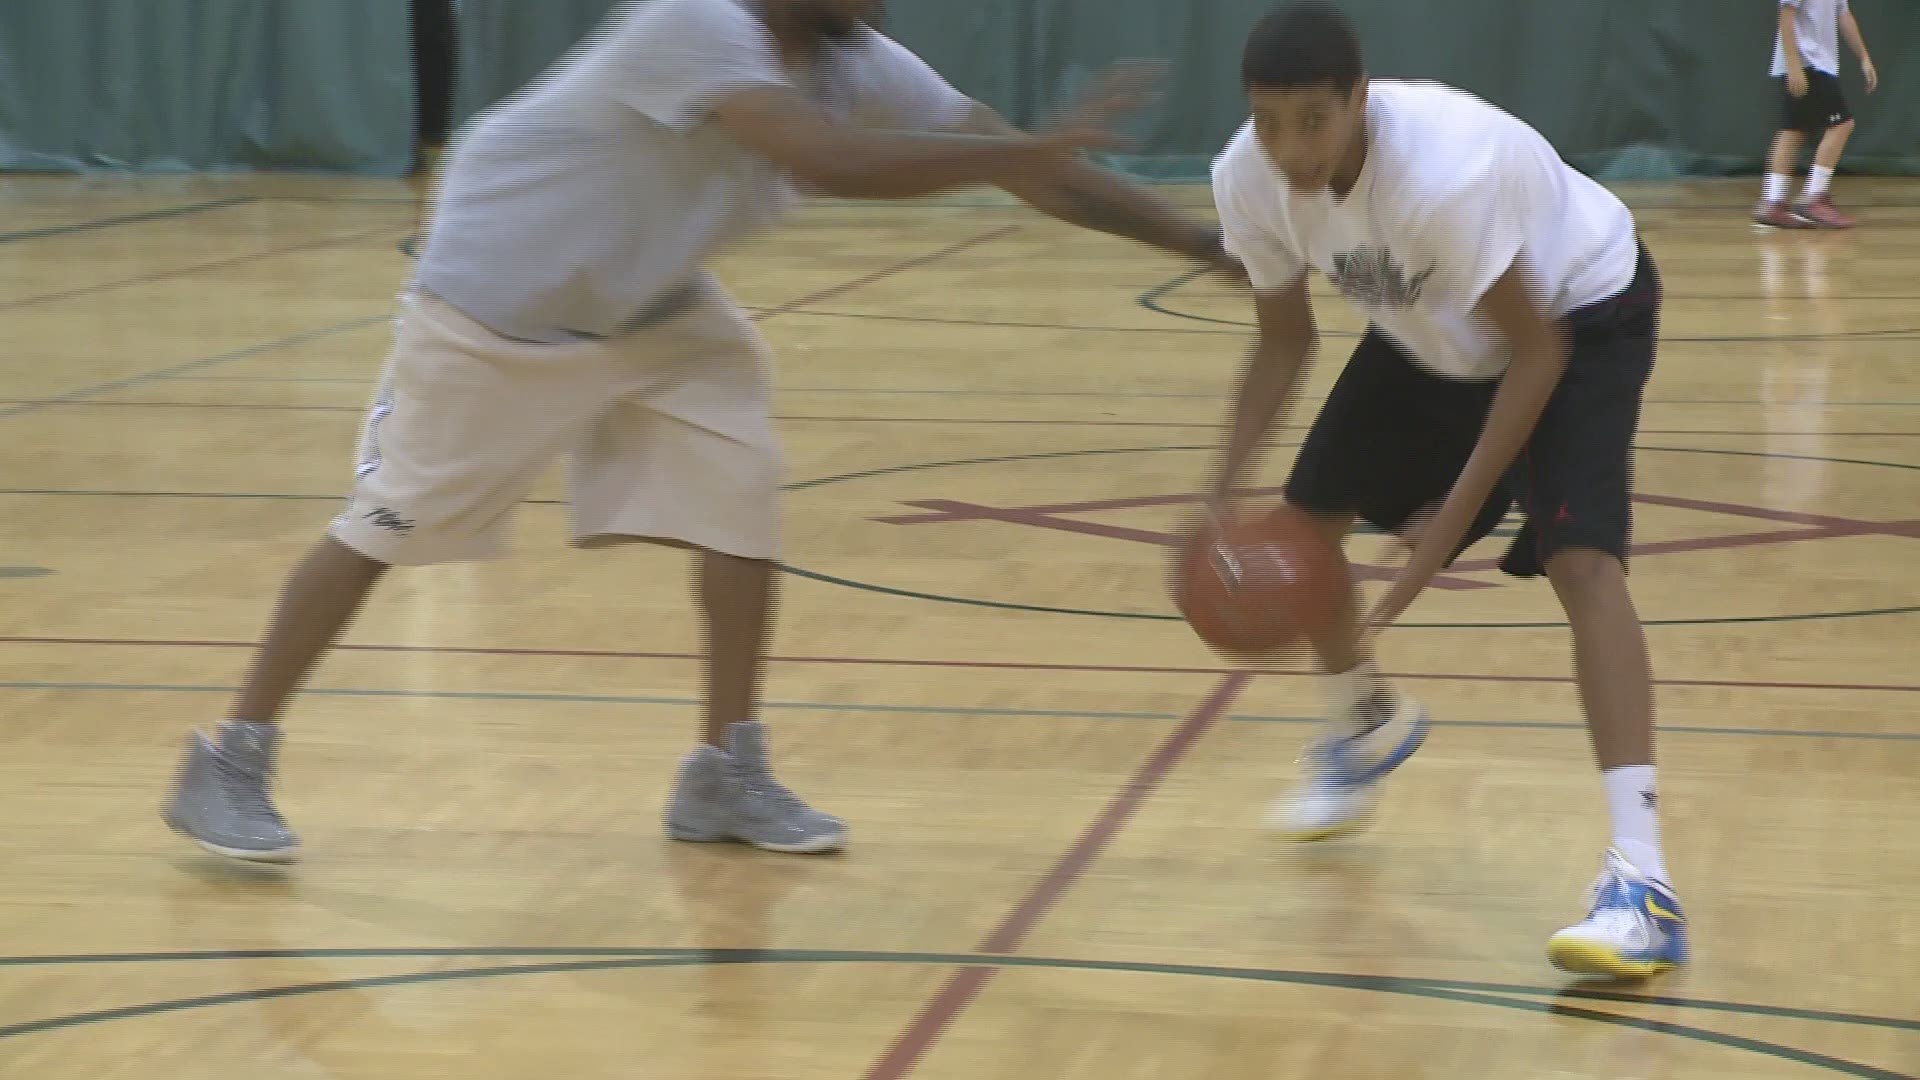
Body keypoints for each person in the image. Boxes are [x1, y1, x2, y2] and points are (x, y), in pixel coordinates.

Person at [162, 0, 1236, 864]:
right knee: (383, 527)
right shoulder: (697, 23)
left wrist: (1198, 242)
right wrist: (1017, 152)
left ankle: (725, 770)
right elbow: (830, 162)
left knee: (741, 482)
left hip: (649, 305)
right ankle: (229, 759)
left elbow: (1037, 169)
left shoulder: (857, 61)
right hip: (497, 306)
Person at [1199, 0, 1685, 977]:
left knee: (1582, 562)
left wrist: (1444, 534)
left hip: (1580, 309)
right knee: (1302, 530)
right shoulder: (1245, 178)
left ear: (1359, 101)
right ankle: (1364, 720)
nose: (1290, 149)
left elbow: (1538, 350)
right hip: (1434, 323)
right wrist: (1213, 502)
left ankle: (1643, 881)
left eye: (1313, 122)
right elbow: (1284, 340)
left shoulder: (1440, 172)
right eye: (1268, 122)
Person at [1752, 0, 1878, 229]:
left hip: (1818, 64)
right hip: (1808, 63)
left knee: (1794, 130)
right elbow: (1786, 17)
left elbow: (1844, 15)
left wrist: (1864, 57)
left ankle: (1773, 203)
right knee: (1841, 125)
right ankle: (1814, 198)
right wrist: (1794, 67)